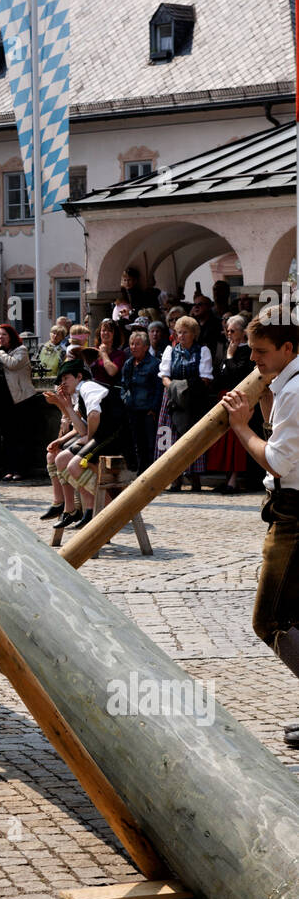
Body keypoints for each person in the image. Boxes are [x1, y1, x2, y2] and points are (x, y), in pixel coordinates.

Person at [223, 309, 299, 748]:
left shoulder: (294, 389)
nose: (254, 359)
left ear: (289, 348)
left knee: (269, 619)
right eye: (251, 350)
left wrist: (241, 426)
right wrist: (266, 407)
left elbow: (277, 461)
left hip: (294, 512)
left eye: (263, 351)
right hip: (292, 505)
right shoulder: (286, 386)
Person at [48, 359, 129, 530]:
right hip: (103, 436)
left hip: (116, 436)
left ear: (78, 376)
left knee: (75, 466)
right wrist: (67, 406)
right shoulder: (80, 393)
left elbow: (94, 416)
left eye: (65, 378)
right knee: (61, 460)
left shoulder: (87, 387)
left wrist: (89, 438)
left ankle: (111, 511)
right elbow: (81, 427)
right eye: (61, 380)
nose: (63, 383)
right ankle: (88, 510)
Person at [156, 315, 214, 492]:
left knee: (193, 437)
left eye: (185, 332)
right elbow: (164, 376)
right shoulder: (170, 351)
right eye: (178, 332)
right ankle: (174, 478)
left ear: (194, 334)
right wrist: (175, 388)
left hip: (194, 398)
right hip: (172, 398)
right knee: (171, 438)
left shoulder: (202, 351)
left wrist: (185, 388)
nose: (181, 335)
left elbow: (205, 378)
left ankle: (195, 477)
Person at [207, 316, 253, 493]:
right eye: (227, 330)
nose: (229, 334)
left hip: (238, 399)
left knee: (235, 441)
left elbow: (237, 374)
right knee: (224, 440)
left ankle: (233, 479)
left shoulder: (246, 351)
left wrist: (229, 356)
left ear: (242, 332)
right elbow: (220, 376)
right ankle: (227, 478)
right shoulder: (230, 349)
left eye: (233, 331)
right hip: (224, 397)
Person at [0, 324, 39, 480]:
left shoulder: (21, 350)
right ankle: (9, 469)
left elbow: (12, 364)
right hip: (4, 400)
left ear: (11, 336)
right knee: (7, 437)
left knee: (22, 436)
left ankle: (21, 470)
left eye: (4, 335)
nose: (0, 337)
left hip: (21, 399)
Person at [121, 329, 161, 471]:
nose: (133, 347)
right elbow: (123, 386)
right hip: (133, 410)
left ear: (145, 347)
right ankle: (140, 471)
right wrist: (125, 400)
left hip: (148, 410)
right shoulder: (128, 364)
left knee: (149, 443)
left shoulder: (155, 364)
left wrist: (153, 409)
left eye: (137, 344)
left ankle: (150, 472)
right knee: (137, 443)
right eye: (132, 344)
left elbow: (158, 389)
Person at [91, 319, 128, 385]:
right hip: (94, 390)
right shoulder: (93, 351)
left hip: (110, 392)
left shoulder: (119, 354)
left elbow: (111, 372)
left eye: (110, 331)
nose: (106, 333)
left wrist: (104, 353)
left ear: (114, 334)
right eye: (103, 330)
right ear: (99, 333)